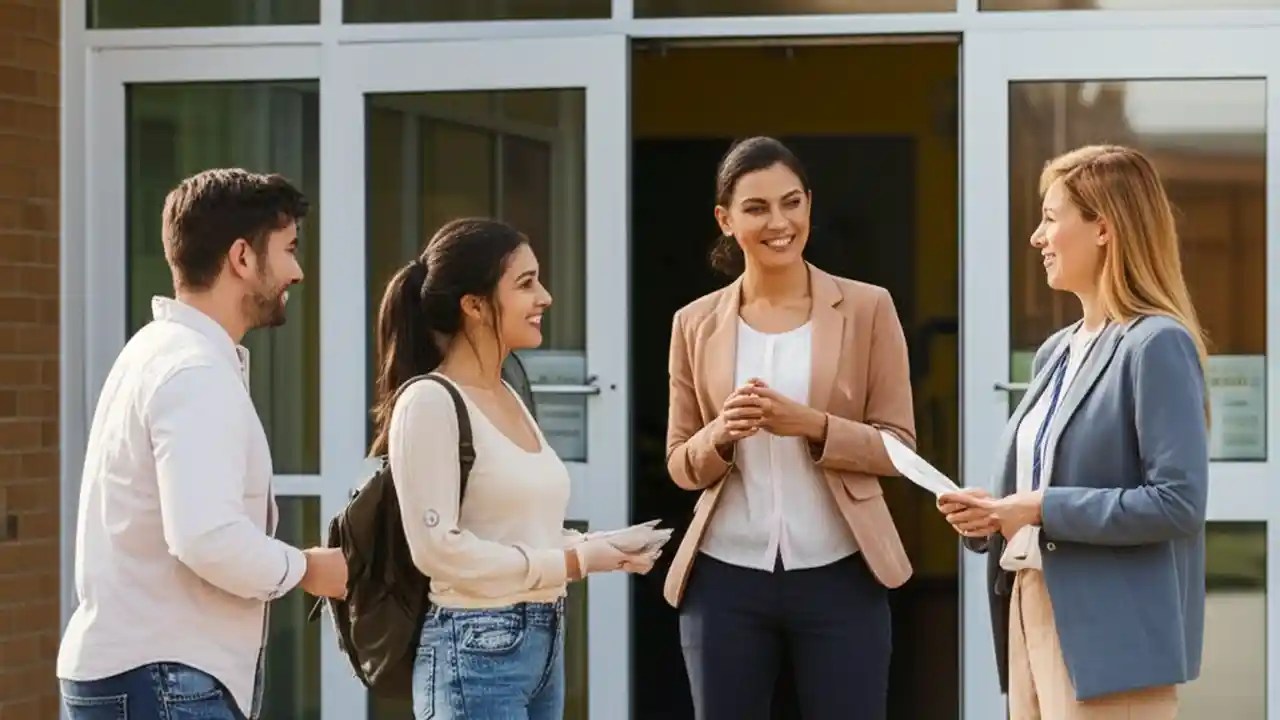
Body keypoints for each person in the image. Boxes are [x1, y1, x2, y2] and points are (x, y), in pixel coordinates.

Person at [57, 169, 349, 719]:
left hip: (148, 673)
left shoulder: (163, 352)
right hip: (165, 679)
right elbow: (206, 537)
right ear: (242, 257)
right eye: (288, 249)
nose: (298, 271)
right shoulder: (193, 370)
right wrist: (308, 569)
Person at [937, 144, 1209, 720]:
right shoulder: (1056, 353)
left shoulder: (1157, 344)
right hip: (1029, 606)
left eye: (1051, 219)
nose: (1037, 237)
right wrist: (995, 515)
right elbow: (1047, 492)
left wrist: (1039, 508)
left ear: (1104, 229)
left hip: (1110, 640)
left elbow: (1178, 503)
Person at [662, 136, 917, 720]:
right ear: (726, 220)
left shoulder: (868, 307)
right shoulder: (693, 323)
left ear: (809, 204)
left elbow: (899, 447)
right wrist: (720, 433)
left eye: (791, 202)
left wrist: (814, 426)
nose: (779, 222)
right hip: (726, 578)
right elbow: (680, 463)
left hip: (842, 571)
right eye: (756, 208)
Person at [369, 217, 665, 720]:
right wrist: (573, 563)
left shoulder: (507, 393)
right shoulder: (429, 401)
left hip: (540, 636)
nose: (545, 297)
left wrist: (595, 547)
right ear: (475, 305)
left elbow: (518, 530)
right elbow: (438, 550)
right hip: (474, 645)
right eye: (526, 284)